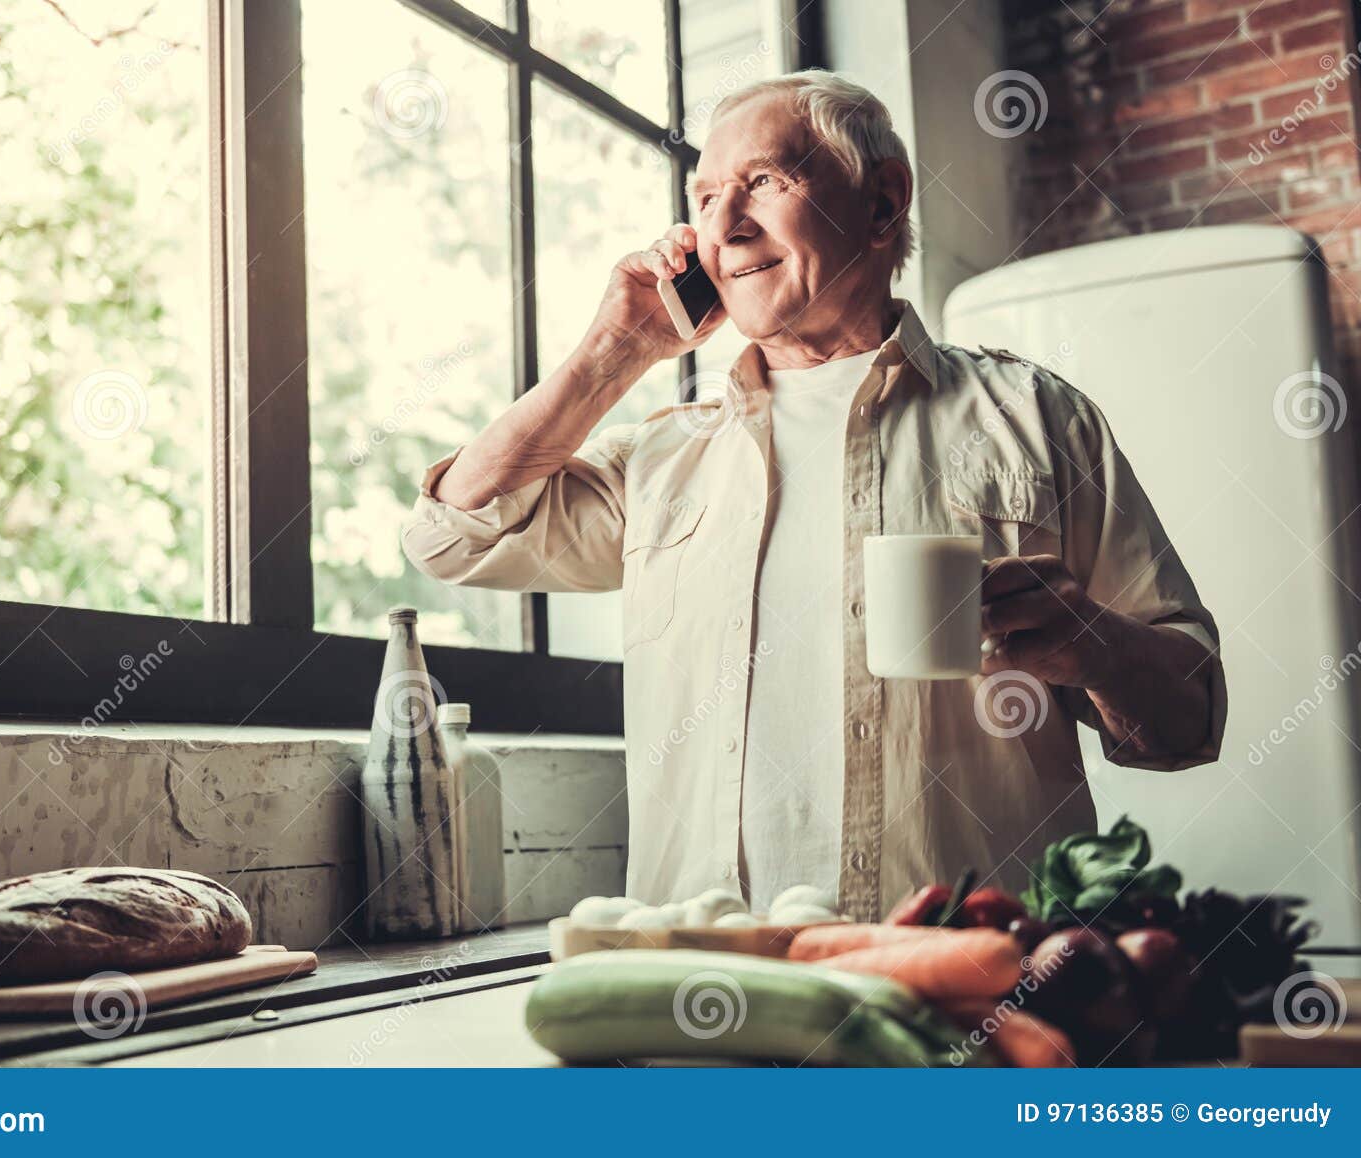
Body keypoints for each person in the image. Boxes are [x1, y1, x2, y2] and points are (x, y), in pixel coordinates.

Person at [399, 70, 1225, 920]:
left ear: (882, 203)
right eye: (706, 197)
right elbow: (448, 536)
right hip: (708, 981)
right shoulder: (661, 457)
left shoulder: (1038, 418)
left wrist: (1094, 645)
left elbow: (1192, 718)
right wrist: (612, 354)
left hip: (969, 977)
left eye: (763, 181)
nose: (725, 224)